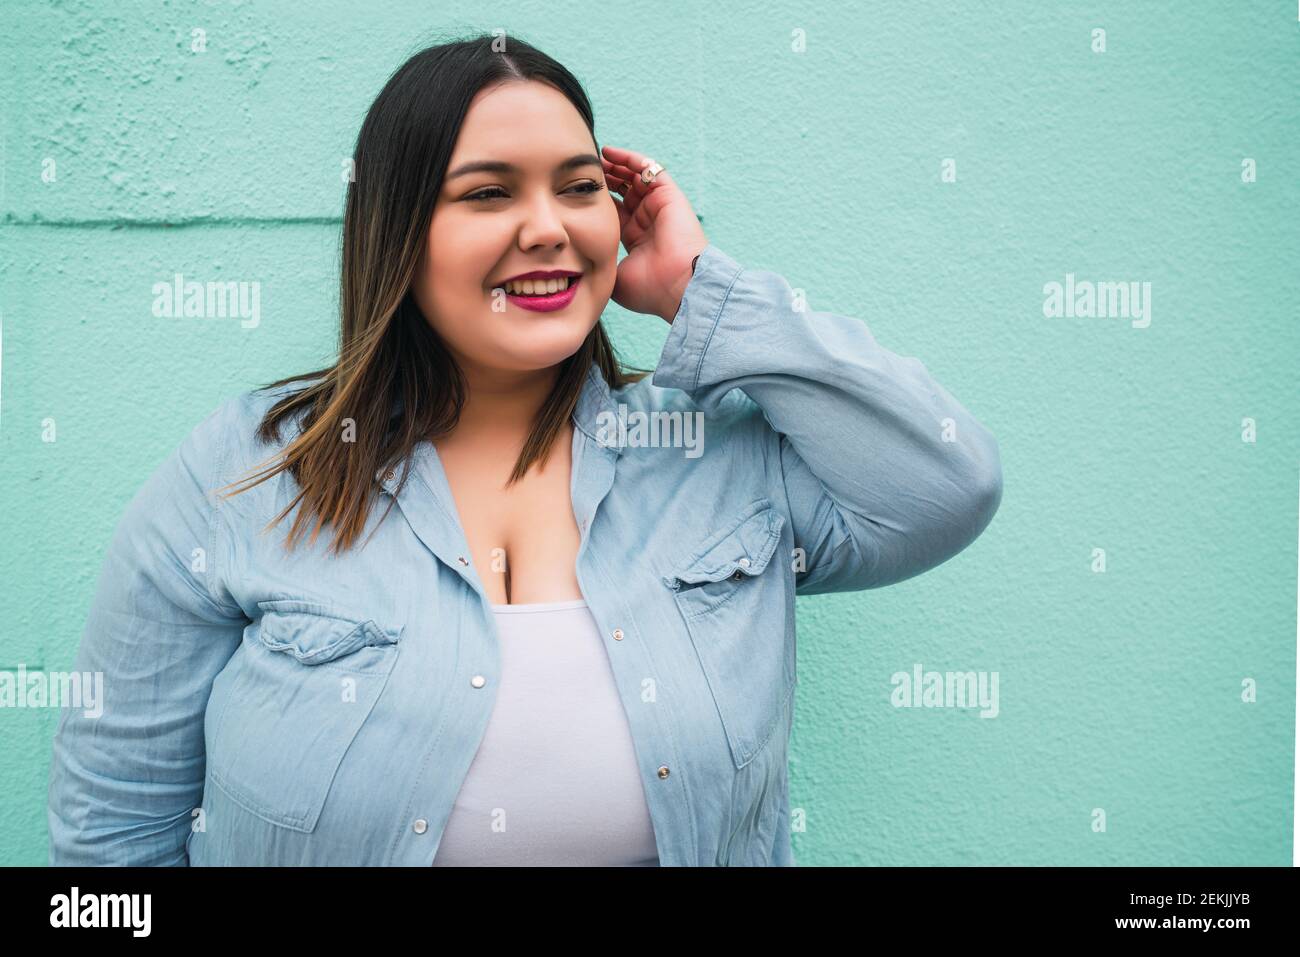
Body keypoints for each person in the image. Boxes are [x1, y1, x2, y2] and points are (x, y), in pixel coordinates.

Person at [46, 33, 1003, 867]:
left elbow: (946, 483)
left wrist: (700, 289)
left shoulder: (718, 455)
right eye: (488, 192)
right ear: (400, 233)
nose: (548, 227)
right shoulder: (246, 474)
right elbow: (114, 831)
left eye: (580, 187)